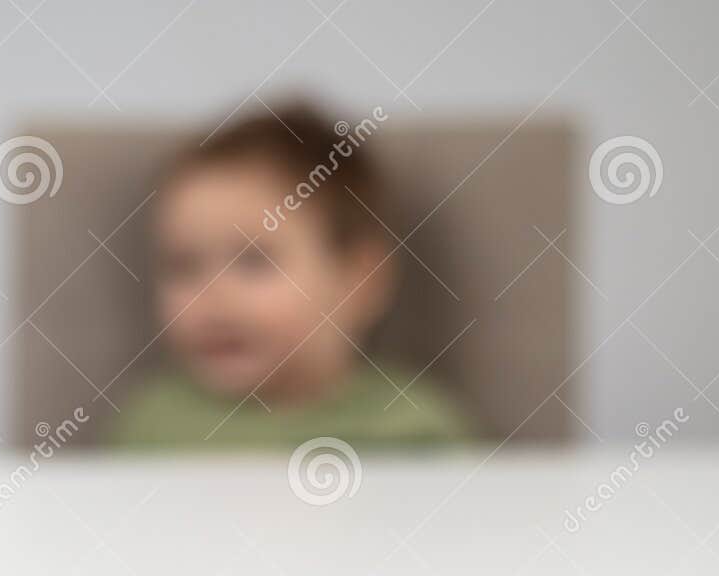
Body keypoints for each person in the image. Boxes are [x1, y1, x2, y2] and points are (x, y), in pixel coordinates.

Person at [110, 103, 476, 449]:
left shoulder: (414, 431)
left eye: (253, 261)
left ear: (359, 280)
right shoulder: (152, 426)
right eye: (183, 265)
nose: (213, 297)